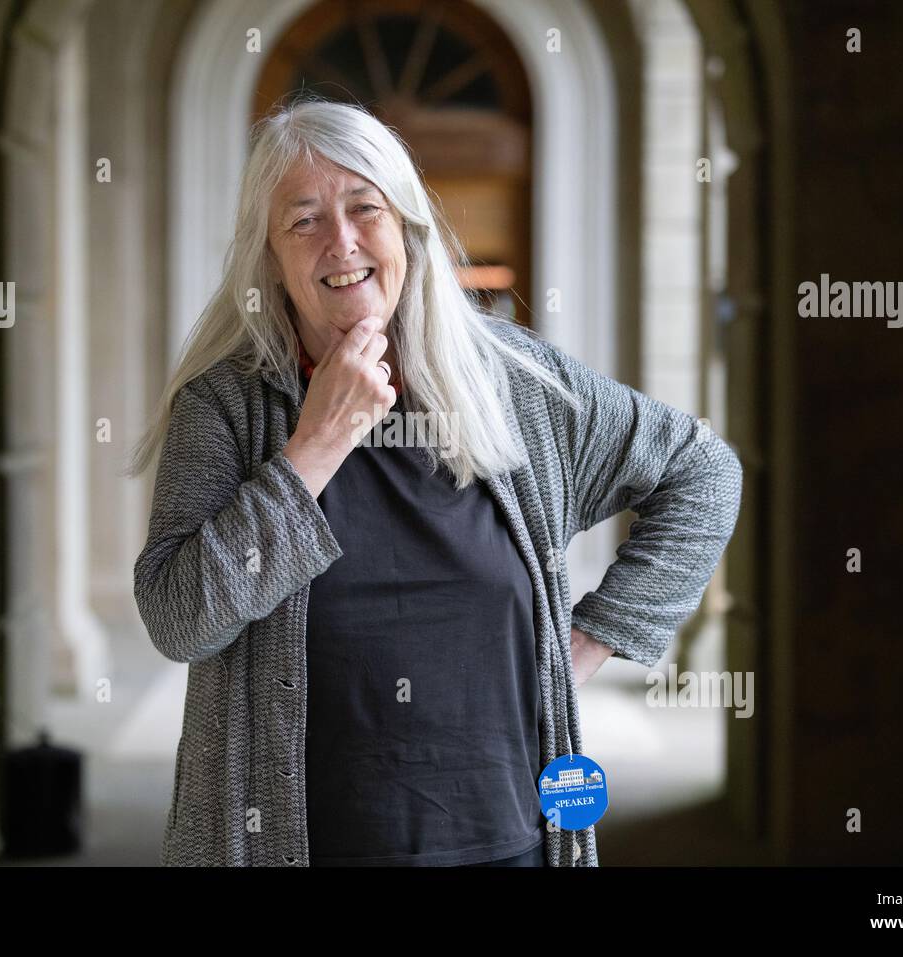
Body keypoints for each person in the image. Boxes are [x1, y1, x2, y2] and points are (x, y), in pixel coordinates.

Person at [126, 97, 743, 867]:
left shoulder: (515, 385)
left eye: (364, 208)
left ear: (409, 231)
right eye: (304, 220)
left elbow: (703, 470)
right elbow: (180, 618)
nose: (341, 241)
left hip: (510, 842)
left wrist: (586, 644)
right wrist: (317, 444)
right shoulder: (225, 407)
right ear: (269, 259)